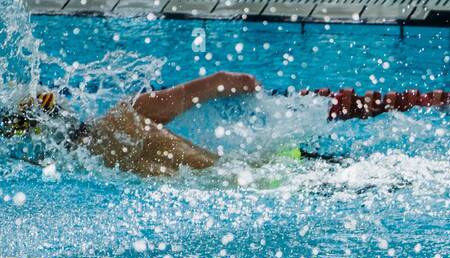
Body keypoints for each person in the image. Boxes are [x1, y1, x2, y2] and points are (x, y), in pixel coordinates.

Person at [1, 73, 261, 176]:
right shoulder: (125, 113)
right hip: (114, 121)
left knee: (226, 176)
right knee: (227, 171)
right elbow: (227, 80)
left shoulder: (93, 156)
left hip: (98, 149)